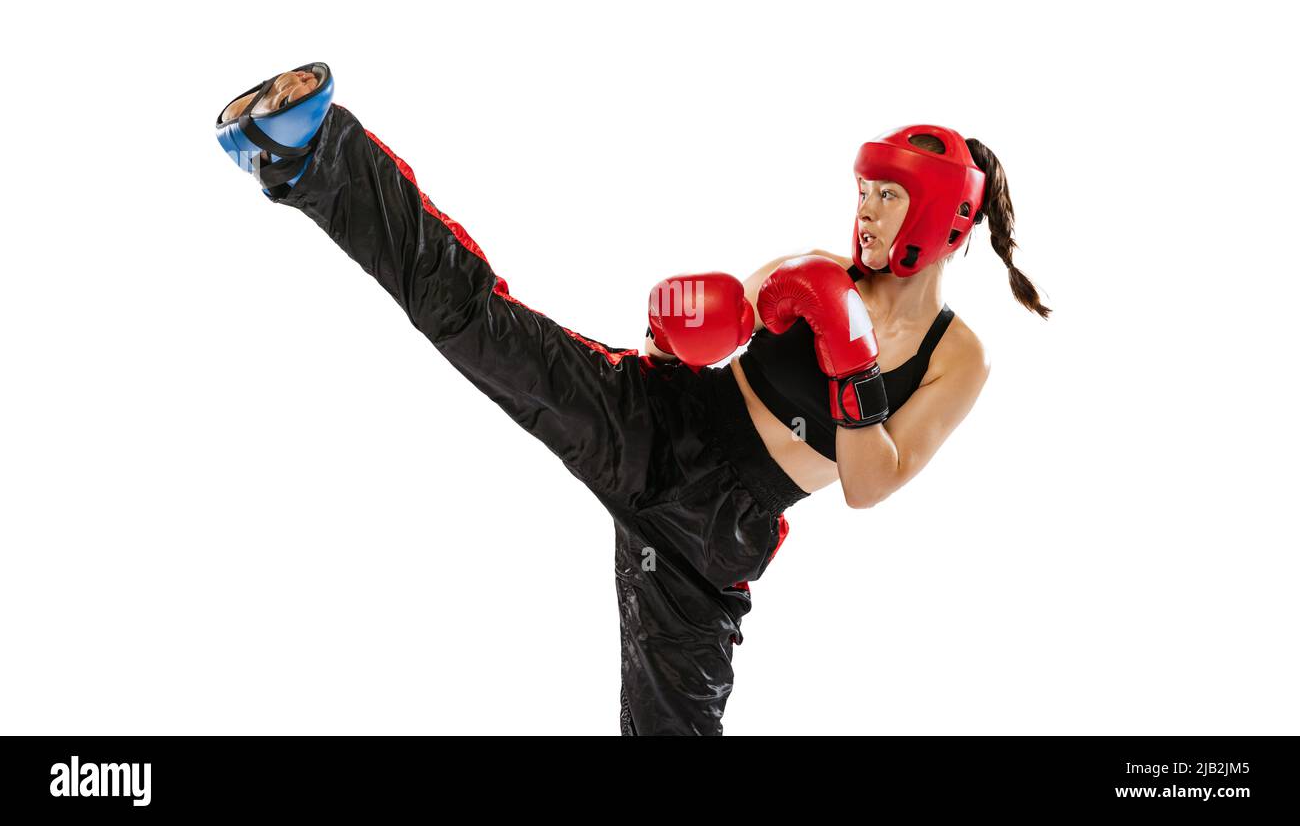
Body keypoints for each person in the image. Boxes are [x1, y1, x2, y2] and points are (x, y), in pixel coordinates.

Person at [216, 63, 1050, 735]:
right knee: (475, 320)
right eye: (864, 188)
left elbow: (871, 484)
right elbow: (695, 332)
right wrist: (683, 321)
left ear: (940, 214)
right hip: (652, 424)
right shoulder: (818, 268)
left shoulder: (958, 357)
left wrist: (851, 361)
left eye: (887, 194)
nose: (864, 208)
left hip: (712, 539)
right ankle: (313, 152)